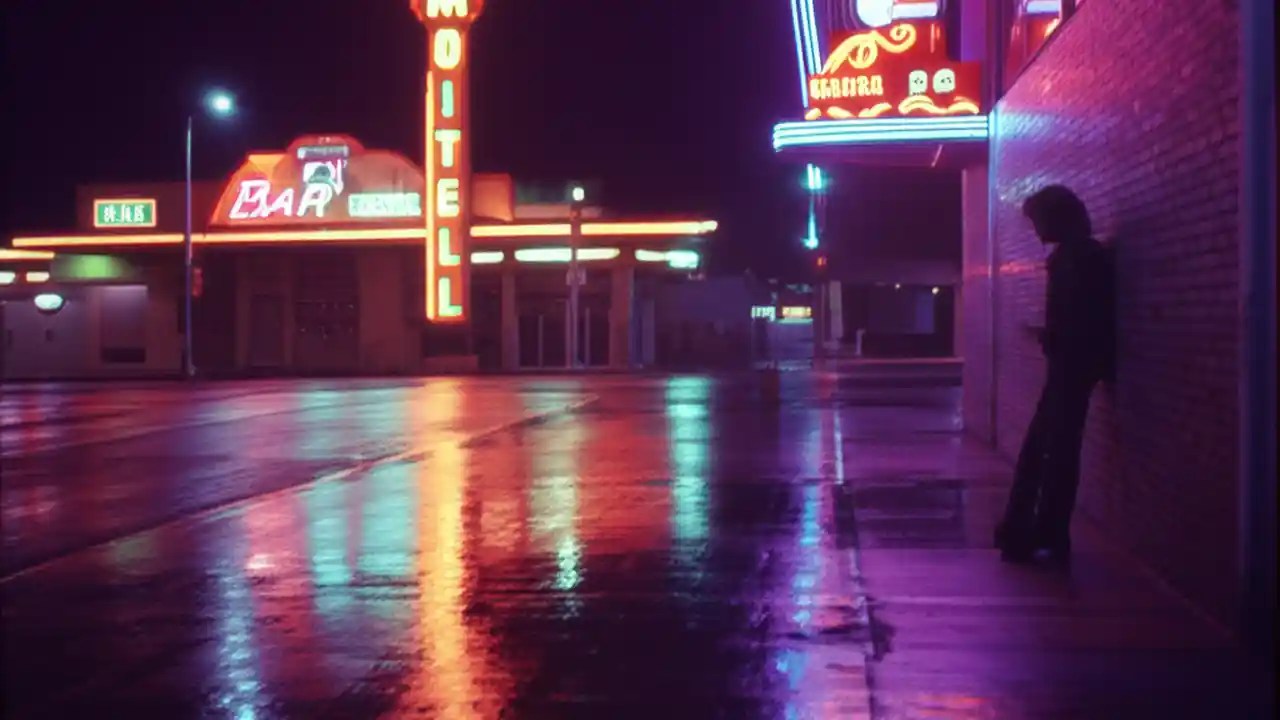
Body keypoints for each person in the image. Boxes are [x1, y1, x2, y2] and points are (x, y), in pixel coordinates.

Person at [995, 185, 1114, 566]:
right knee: (1054, 452)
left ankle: (1034, 532)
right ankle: (1042, 532)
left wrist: (1050, 337)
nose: (1036, 230)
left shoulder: (1073, 259)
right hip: (1074, 368)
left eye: (1038, 221)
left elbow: (1076, 318)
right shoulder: (1083, 255)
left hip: (1069, 368)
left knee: (1047, 453)